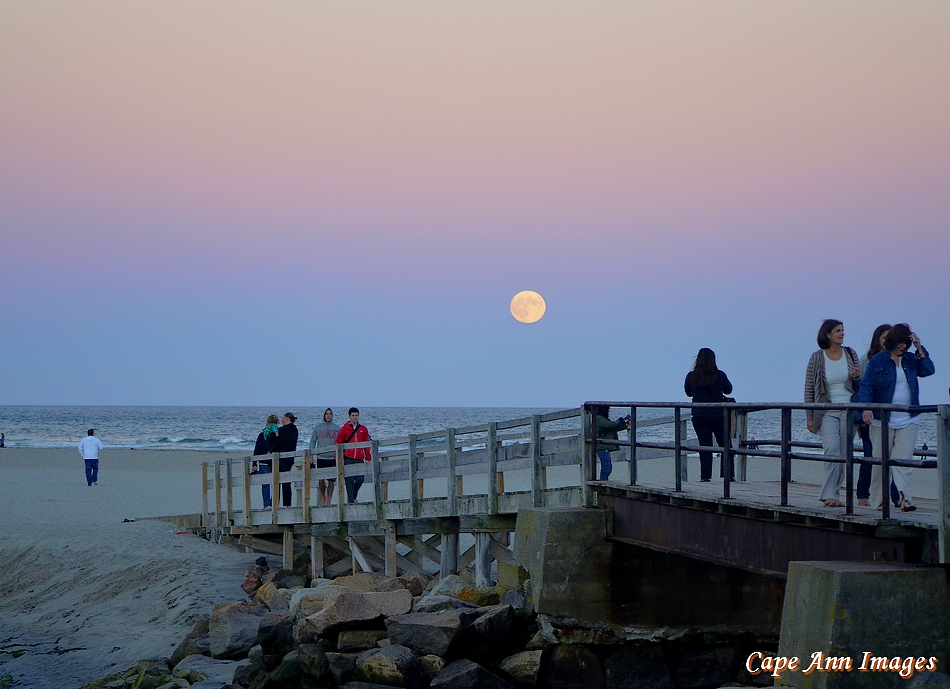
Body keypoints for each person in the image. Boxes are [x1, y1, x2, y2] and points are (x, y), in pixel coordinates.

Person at [859, 324, 935, 512]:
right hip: (882, 419)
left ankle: (905, 500)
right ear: (893, 340)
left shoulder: (911, 359)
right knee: (880, 461)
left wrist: (919, 348)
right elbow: (866, 386)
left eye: (906, 343)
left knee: (904, 462)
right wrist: (867, 408)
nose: (903, 346)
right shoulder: (878, 361)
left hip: (908, 419)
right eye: (901, 342)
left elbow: (928, 370)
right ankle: (879, 500)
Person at [804, 319, 861, 508]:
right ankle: (828, 493)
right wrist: (810, 417)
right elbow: (809, 388)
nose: (842, 333)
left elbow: (861, 385)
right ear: (828, 334)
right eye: (838, 330)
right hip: (826, 410)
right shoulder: (817, 357)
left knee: (844, 453)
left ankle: (835, 494)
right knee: (832, 449)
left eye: (843, 330)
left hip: (849, 409)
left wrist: (857, 377)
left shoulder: (850, 353)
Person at [856, 325, 899, 507]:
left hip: (894, 415)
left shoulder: (899, 359)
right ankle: (863, 494)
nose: (887, 341)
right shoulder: (867, 360)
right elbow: (862, 387)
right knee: (870, 454)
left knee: (894, 457)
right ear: (877, 339)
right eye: (884, 337)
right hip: (871, 415)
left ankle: (896, 497)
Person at [684, 348, 734, 482]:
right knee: (725, 445)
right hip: (718, 414)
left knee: (705, 446)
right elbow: (728, 390)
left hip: (699, 415)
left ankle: (705, 476)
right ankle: (728, 475)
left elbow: (688, 392)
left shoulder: (691, 376)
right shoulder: (719, 375)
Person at [334, 408, 372, 504]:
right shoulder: (344, 429)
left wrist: (368, 457)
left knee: (360, 479)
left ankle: (353, 496)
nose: (355, 417)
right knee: (349, 480)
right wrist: (337, 458)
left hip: (359, 458)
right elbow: (338, 443)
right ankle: (351, 501)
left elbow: (366, 444)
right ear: (349, 416)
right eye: (353, 415)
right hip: (348, 458)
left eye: (356, 415)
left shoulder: (363, 429)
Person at [309, 408, 341, 506]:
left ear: (332, 415)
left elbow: (340, 442)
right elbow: (313, 441)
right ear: (324, 415)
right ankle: (323, 496)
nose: (328, 415)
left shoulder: (337, 428)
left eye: (330, 414)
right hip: (321, 457)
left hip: (332, 457)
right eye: (327, 414)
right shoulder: (318, 428)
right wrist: (310, 455)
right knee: (321, 479)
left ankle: (329, 500)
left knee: (331, 480)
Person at [252, 414, 280, 508]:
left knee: (266, 484)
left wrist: (254, 463)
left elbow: (257, 450)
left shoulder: (262, 434)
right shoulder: (278, 434)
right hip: (275, 461)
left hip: (263, 461)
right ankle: (274, 504)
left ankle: (266, 505)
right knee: (276, 483)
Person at [594, 406, 628, 481]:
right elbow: (610, 425)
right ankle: (603, 482)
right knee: (607, 467)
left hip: (604, 447)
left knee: (607, 467)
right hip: (602, 447)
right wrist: (618, 421)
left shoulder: (602, 420)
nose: (609, 413)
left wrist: (625, 425)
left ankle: (603, 481)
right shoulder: (599, 419)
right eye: (608, 411)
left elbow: (613, 427)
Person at [272, 412, 299, 507]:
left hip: (280, 459)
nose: (282, 420)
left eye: (283, 418)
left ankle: (274, 503)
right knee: (286, 482)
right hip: (290, 459)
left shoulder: (283, 430)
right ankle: (287, 504)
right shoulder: (295, 430)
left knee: (277, 481)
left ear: (287, 419)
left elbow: (273, 440)